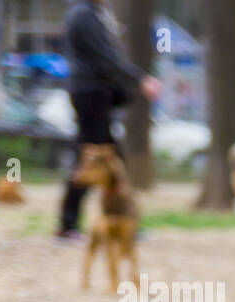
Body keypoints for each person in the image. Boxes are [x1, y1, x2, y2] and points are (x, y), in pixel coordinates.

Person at [56, 0, 161, 240]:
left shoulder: (89, 13)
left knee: (98, 157)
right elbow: (104, 58)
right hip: (90, 93)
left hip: (93, 93)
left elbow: (106, 57)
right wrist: (139, 79)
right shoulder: (83, 15)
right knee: (99, 160)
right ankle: (79, 223)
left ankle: (80, 223)